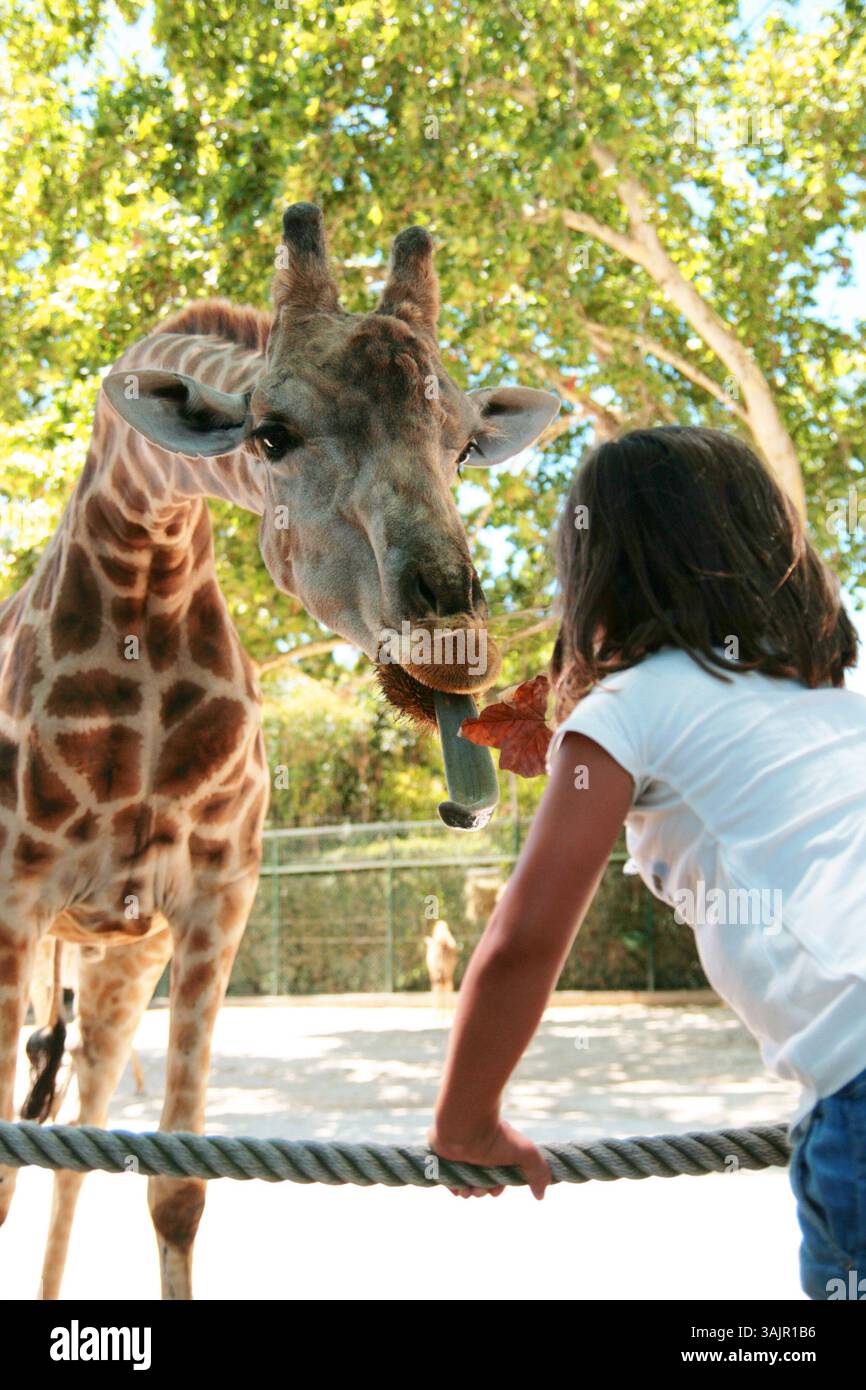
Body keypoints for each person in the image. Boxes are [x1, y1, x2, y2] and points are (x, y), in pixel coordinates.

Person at [427, 426, 866, 1301]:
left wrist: (465, 1124)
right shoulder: (833, 706)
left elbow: (522, 942)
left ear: (599, 571)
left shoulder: (630, 708)